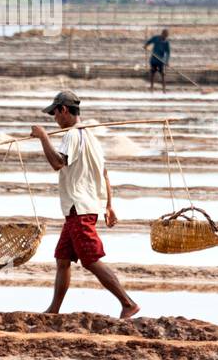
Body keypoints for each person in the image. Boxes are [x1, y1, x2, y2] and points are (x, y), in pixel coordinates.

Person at [30, 89, 139, 319]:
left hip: (79, 209)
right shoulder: (91, 138)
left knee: (91, 260)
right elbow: (104, 173)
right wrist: (109, 206)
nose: (55, 119)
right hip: (78, 209)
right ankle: (54, 310)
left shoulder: (72, 135)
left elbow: (58, 163)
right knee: (62, 259)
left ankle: (128, 303)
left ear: (64, 110)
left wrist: (43, 137)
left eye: (55, 114)